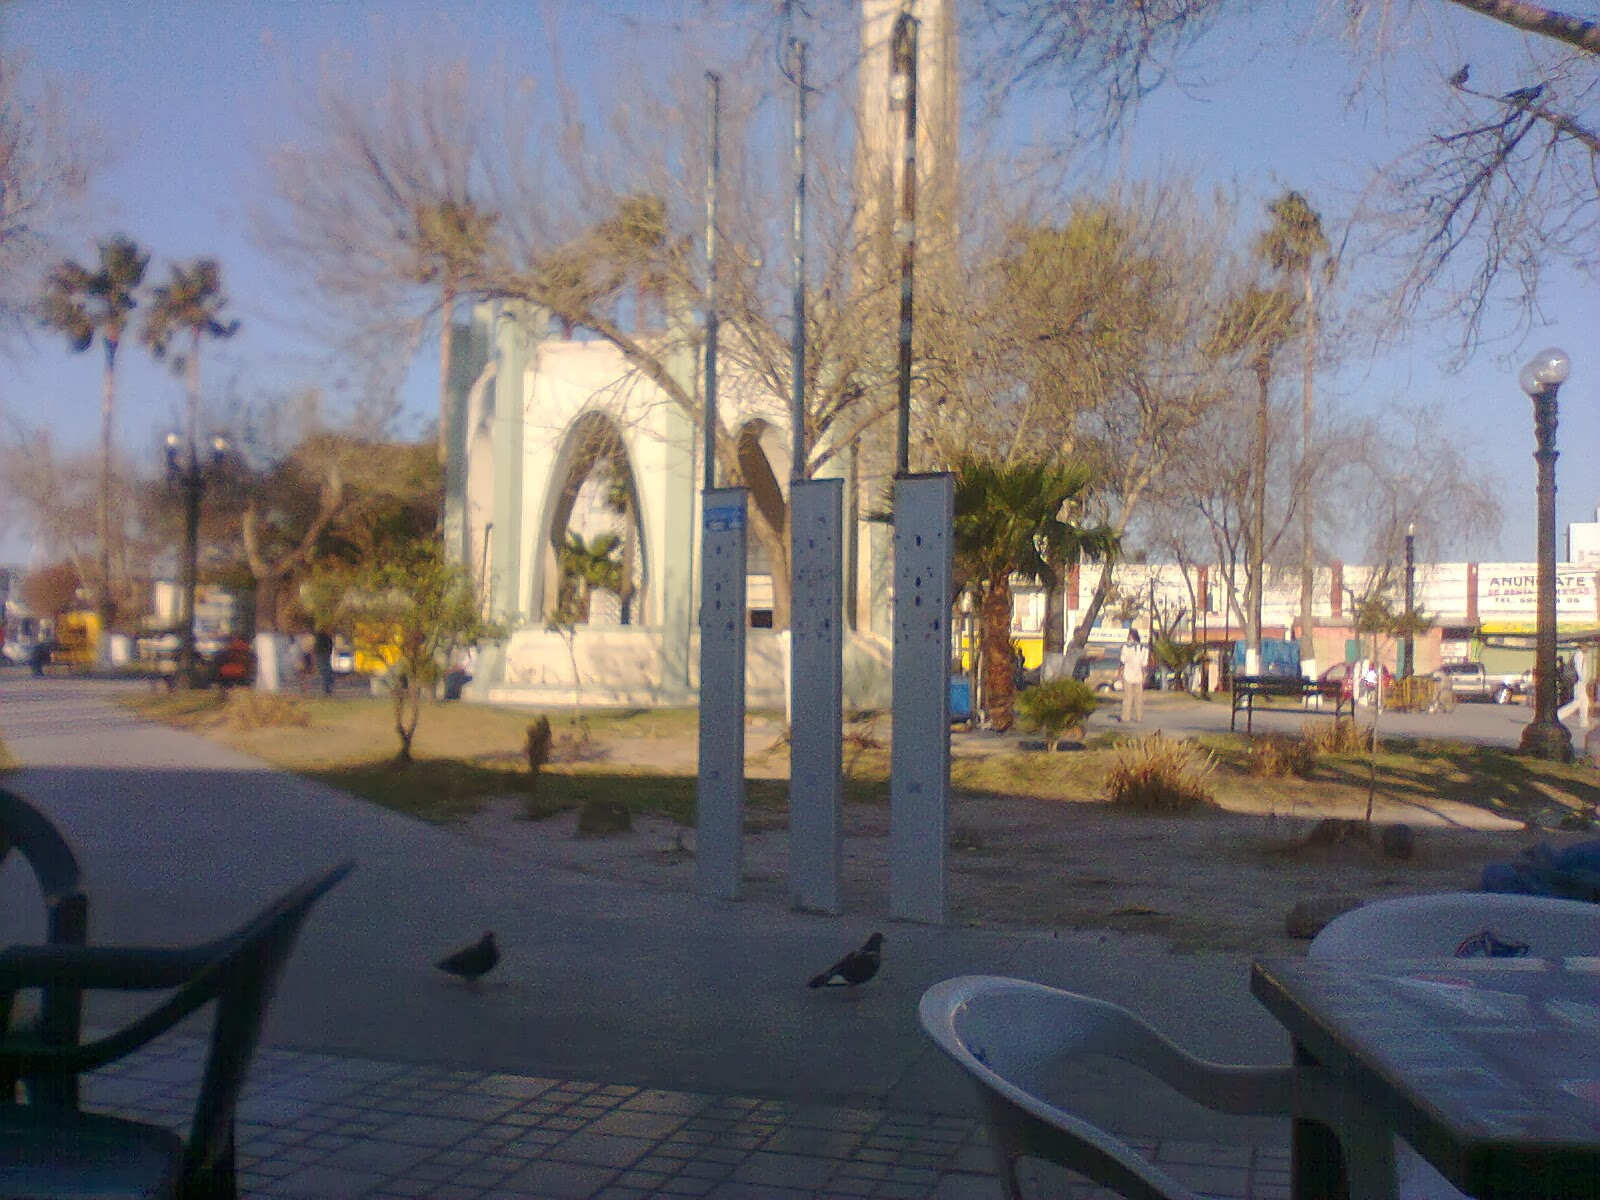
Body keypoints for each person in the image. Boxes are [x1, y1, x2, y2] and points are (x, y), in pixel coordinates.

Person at [1119, 629, 1148, 724]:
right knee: (1138, 698)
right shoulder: (1143, 648)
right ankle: (1139, 717)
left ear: (1131, 636)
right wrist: (1144, 675)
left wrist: (1119, 672)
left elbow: (1122, 660)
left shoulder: (1125, 647)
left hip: (1128, 674)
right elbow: (1144, 664)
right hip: (1137, 675)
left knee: (1128, 698)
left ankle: (1125, 717)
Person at [1559, 646, 1591, 730]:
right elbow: (1578, 668)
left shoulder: (1579, 654)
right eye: (1588, 646)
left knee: (1584, 702)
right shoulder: (1579, 654)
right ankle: (1559, 715)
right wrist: (1582, 679)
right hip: (1579, 682)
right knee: (1578, 702)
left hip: (1579, 682)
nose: (1588, 649)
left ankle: (1584, 722)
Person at [313, 629, 335, 697]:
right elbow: (329, 646)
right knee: (326, 669)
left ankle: (327, 686)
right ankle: (327, 686)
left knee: (324, 670)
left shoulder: (321, 637)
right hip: (324, 654)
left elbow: (318, 646)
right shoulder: (325, 638)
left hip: (322, 654)